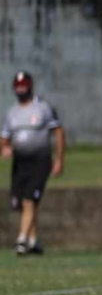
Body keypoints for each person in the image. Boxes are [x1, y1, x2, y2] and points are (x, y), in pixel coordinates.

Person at [0, 71, 65, 256]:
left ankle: (22, 240)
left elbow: (58, 132)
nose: (21, 89)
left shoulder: (43, 108)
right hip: (20, 163)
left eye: (24, 86)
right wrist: (5, 148)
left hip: (40, 160)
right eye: (18, 86)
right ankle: (33, 240)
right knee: (21, 203)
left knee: (30, 199)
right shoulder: (12, 112)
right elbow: (4, 139)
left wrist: (59, 158)